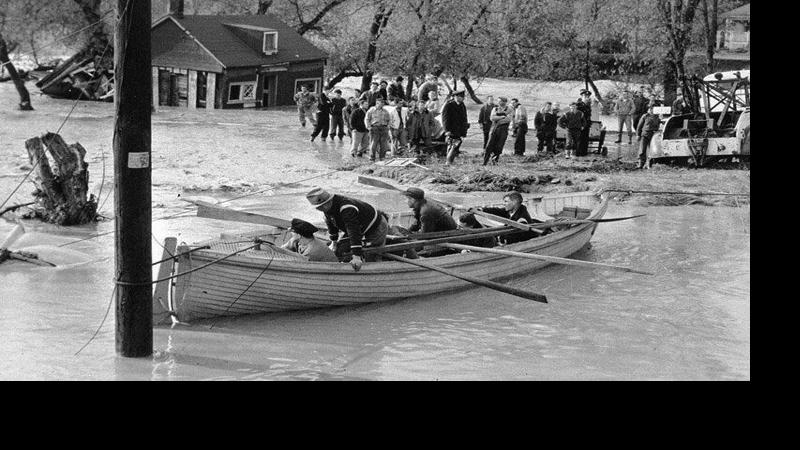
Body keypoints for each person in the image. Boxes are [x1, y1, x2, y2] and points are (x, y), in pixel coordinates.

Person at [306, 187, 389, 271]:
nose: (319, 209)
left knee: (371, 254)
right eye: (317, 207)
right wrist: (334, 243)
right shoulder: (327, 209)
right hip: (359, 225)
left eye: (320, 207)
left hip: (375, 225)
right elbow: (331, 224)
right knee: (341, 249)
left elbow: (354, 231)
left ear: (328, 202)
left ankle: (373, 273)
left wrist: (356, 256)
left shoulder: (346, 208)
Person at [402, 187, 458, 257]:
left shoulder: (426, 211)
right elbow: (417, 223)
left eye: (408, 198)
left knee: (413, 248)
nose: (406, 201)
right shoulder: (423, 204)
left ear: (414, 200)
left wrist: (409, 241)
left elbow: (425, 235)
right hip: (439, 232)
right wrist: (408, 232)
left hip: (445, 237)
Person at [441, 89, 469, 164]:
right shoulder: (448, 105)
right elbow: (445, 119)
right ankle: (448, 162)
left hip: (459, 130)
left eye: (462, 97)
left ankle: (450, 161)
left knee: (456, 147)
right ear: (455, 97)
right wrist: (447, 130)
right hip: (451, 130)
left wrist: (464, 131)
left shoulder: (462, 105)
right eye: (460, 97)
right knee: (452, 146)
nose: (462, 98)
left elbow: (464, 118)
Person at [483, 97, 513, 165]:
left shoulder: (510, 109)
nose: (498, 103)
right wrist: (502, 117)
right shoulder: (495, 108)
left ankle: (495, 161)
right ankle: (485, 162)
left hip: (503, 129)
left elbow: (508, 119)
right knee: (489, 145)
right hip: (494, 128)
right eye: (498, 101)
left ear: (504, 102)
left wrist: (498, 118)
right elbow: (492, 118)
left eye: (500, 101)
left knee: (499, 146)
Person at [635, 102, 662, 169]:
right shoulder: (645, 116)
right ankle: (640, 163)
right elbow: (639, 126)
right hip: (645, 134)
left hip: (653, 135)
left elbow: (661, 125)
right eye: (651, 109)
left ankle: (649, 164)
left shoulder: (658, 116)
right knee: (642, 150)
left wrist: (661, 119)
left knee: (652, 150)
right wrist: (638, 134)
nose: (652, 110)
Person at [365, 96, 392, 161]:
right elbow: (367, 119)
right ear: (377, 103)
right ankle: (372, 158)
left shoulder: (385, 111)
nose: (382, 104)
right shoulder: (371, 110)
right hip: (375, 128)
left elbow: (389, 120)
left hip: (384, 128)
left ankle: (382, 157)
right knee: (373, 144)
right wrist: (369, 127)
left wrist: (388, 126)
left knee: (384, 144)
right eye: (380, 103)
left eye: (383, 103)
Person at [575, 89, 592, 156]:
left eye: (588, 96)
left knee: (585, 139)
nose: (587, 98)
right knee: (579, 140)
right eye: (585, 96)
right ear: (582, 97)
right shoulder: (578, 105)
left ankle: (584, 154)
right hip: (580, 125)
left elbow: (588, 116)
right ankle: (578, 154)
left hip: (586, 125)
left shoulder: (588, 106)